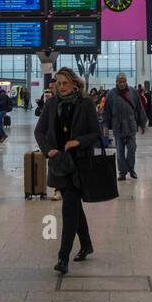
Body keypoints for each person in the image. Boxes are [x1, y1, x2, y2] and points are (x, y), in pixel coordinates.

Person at [35, 68, 101, 275]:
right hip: (60, 163)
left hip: (79, 163)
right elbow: (39, 130)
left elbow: (95, 132)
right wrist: (48, 150)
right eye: (58, 83)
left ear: (74, 84)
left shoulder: (86, 103)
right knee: (74, 208)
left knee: (69, 208)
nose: (61, 87)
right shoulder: (52, 104)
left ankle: (63, 258)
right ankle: (87, 244)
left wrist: (78, 141)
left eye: (65, 83)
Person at [102, 73, 146, 181]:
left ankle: (131, 169)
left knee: (132, 149)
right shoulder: (111, 94)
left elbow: (139, 109)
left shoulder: (133, 92)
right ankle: (122, 172)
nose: (122, 83)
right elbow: (106, 112)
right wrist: (105, 126)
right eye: (119, 81)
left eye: (124, 81)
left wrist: (142, 124)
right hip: (118, 127)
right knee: (120, 151)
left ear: (126, 81)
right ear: (116, 82)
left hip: (131, 126)